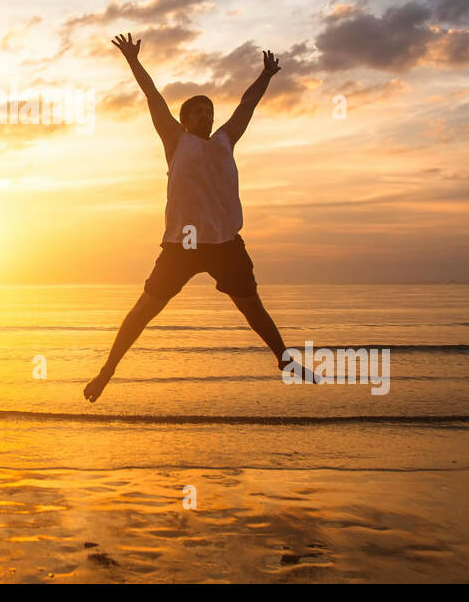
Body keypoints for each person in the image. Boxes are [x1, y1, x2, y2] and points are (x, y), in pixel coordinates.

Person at [84, 33, 314, 402]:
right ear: (185, 119)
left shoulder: (225, 140)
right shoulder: (176, 142)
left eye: (209, 110)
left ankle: (283, 360)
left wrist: (266, 76)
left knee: (253, 307)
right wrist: (132, 60)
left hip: (225, 244)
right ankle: (106, 371)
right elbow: (152, 96)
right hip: (181, 246)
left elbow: (246, 106)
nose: (206, 115)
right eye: (198, 111)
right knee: (143, 311)